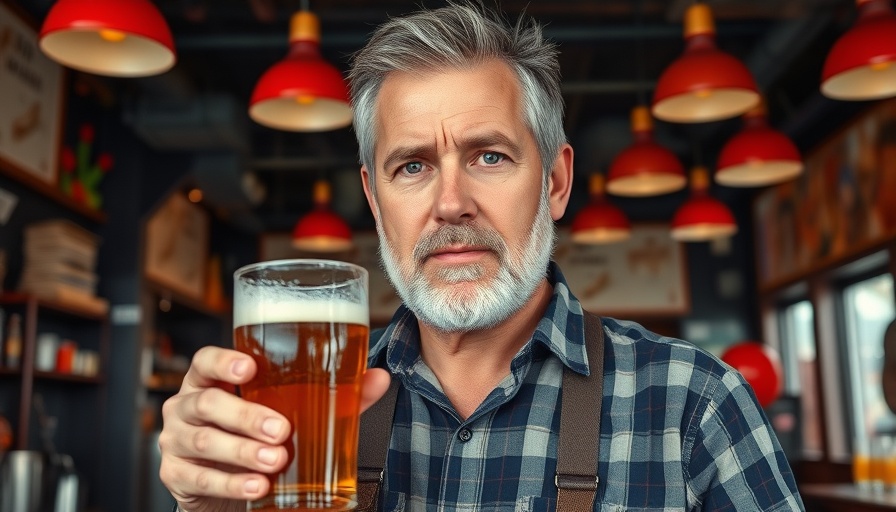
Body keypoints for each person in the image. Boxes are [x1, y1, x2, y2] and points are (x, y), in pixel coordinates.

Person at [158, 2, 805, 511]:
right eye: (411, 166)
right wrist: (212, 508)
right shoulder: (300, 420)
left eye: (488, 156)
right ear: (375, 200)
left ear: (554, 182)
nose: (450, 203)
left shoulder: (697, 404)